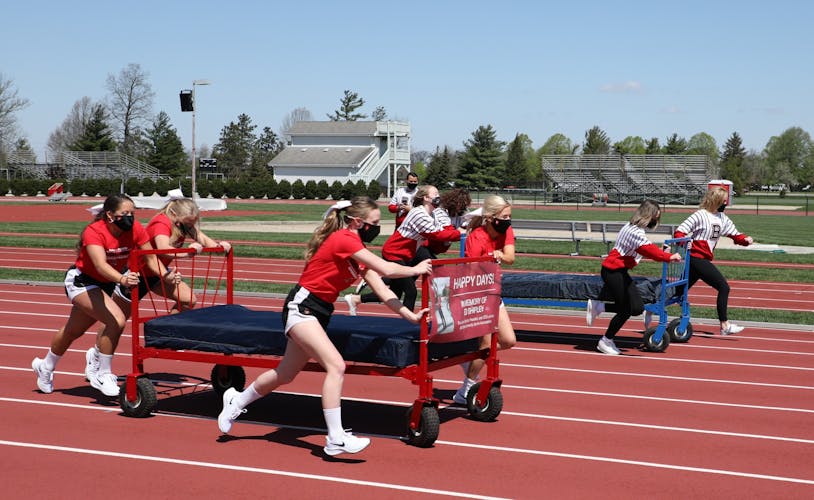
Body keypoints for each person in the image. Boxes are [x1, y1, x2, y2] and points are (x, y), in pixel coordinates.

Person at [217, 196, 432, 456]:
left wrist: (410, 315)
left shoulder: (358, 249)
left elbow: (383, 291)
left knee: (285, 374)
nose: (378, 228)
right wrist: (416, 269)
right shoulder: (344, 239)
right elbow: (387, 268)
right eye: (375, 223)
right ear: (357, 221)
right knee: (336, 365)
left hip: (319, 312)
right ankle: (335, 438)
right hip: (302, 307)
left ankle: (236, 399)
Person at [31, 193, 175, 396]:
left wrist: (166, 276)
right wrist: (123, 279)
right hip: (83, 282)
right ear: (109, 215)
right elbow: (100, 265)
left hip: (105, 284)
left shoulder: (136, 229)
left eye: (132, 213)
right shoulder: (94, 231)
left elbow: (150, 259)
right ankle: (103, 374)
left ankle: (45, 366)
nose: (130, 218)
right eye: (124, 213)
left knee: (74, 330)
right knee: (116, 320)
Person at [345, 185, 460, 314]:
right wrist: (460, 234)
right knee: (411, 291)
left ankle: (355, 299)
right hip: (394, 252)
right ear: (426, 198)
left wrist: (457, 230)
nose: (438, 196)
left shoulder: (434, 213)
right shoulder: (419, 213)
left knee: (395, 293)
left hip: (407, 254)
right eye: (435, 194)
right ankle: (407, 324)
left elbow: (445, 229)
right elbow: (437, 234)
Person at [587, 200, 682, 355]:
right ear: (647, 215)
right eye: (655, 218)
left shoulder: (634, 229)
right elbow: (649, 251)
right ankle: (605, 341)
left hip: (619, 271)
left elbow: (646, 249)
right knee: (626, 309)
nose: (655, 222)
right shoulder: (634, 231)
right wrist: (669, 257)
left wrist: (664, 253)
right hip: (612, 271)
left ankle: (600, 307)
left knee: (637, 308)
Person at [452, 194, 517, 404]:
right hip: (477, 294)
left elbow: (510, 257)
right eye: (504, 216)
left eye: (509, 216)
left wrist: (496, 255)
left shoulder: (505, 231)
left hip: (494, 291)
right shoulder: (476, 237)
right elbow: (471, 270)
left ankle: (472, 358)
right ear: (490, 217)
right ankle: (467, 388)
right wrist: (491, 258)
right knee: (487, 343)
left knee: (508, 340)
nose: (508, 221)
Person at [115, 196, 232, 313]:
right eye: (186, 223)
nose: (188, 227)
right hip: (137, 274)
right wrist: (187, 253)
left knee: (188, 300)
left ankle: (167, 329)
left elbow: (202, 238)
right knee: (117, 322)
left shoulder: (184, 224)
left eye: (191, 224)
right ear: (173, 214)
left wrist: (220, 247)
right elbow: (163, 248)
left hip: (159, 273)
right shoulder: (161, 223)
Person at [674, 188, 754, 335]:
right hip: (696, 258)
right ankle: (725, 325)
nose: (726, 203)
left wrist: (745, 240)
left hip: (702, 259)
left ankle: (652, 304)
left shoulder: (723, 218)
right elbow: (679, 232)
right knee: (724, 287)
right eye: (723, 200)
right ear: (716, 200)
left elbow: (735, 234)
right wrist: (686, 243)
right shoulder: (700, 215)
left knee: (677, 291)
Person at [427, 187, 472, 256]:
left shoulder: (459, 213)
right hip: (426, 245)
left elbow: (469, 225)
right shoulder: (440, 211)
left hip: (437, 248)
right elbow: (448, 231)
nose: (463, 208)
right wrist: (467, 231)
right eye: (462, 205)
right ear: (454, 203)